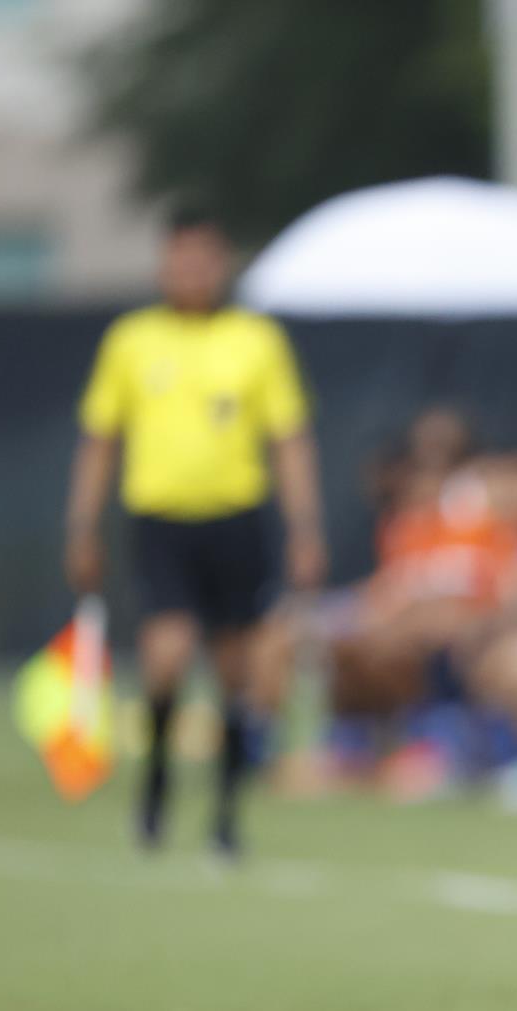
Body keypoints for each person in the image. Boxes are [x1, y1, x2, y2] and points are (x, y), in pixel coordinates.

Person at [64, 210, 326, 857]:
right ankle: (155, 788)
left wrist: (305, 527)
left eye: (204, 258)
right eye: (180, 258)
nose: (191, 271)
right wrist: (82, 526)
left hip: (236, 519)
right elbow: (100, 439)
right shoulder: (132, 340)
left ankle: (227, 812)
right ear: (163, 264)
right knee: (168, 654)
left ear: (222, 263)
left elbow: (288, 439)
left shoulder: (256, 340)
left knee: (239, 669)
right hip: (161, 522)